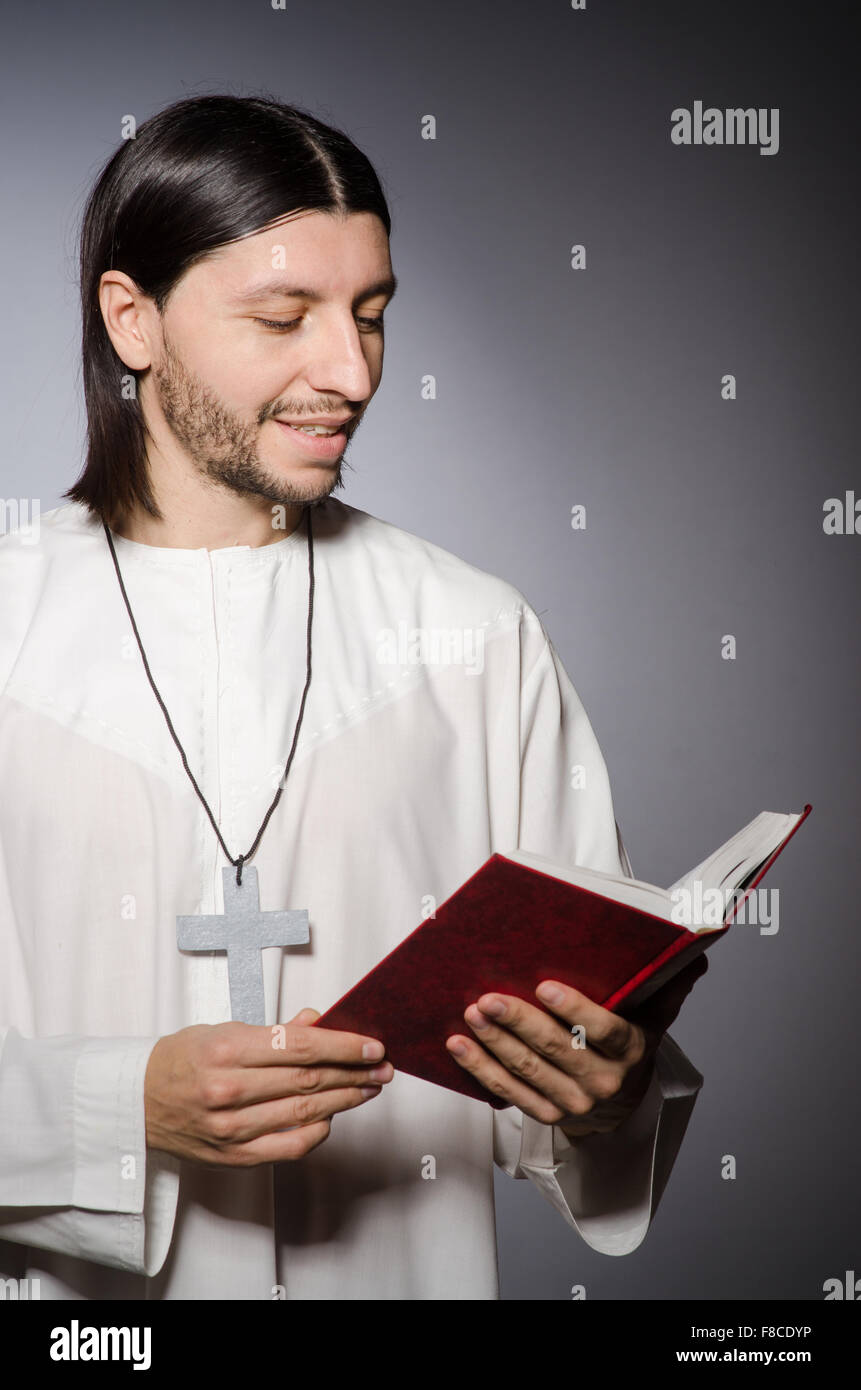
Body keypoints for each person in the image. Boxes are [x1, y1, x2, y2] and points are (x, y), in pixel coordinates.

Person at [0, 93, 705, 1301]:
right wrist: (119, 1103)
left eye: (372, 314)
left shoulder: (474, 634)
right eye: (286, 317)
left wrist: (611, 1086)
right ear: (135, 320)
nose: (351, 370)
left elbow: (579, 1090)